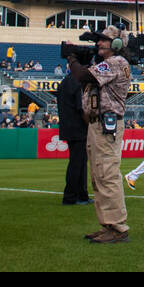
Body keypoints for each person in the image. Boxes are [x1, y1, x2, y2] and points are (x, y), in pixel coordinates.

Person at [66, 27, 132, 243]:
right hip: (97, 124)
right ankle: (108, 225)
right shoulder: (107, 64)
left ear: (116, 44)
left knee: (107, 174)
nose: (99, 43)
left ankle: (118, 227)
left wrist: (72, 58)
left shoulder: (116, 63)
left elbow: (83, 75)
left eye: (105, 40)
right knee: (98, 176)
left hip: (107, 125)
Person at [55, 58, 92, 206]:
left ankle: (82, 195)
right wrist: (90, 125)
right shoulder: (77, 84)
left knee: (79, 162)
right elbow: (81, 108)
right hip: (78, 128)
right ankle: (70, 196)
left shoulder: (65, 82)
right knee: (77, 164)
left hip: (68, 127)